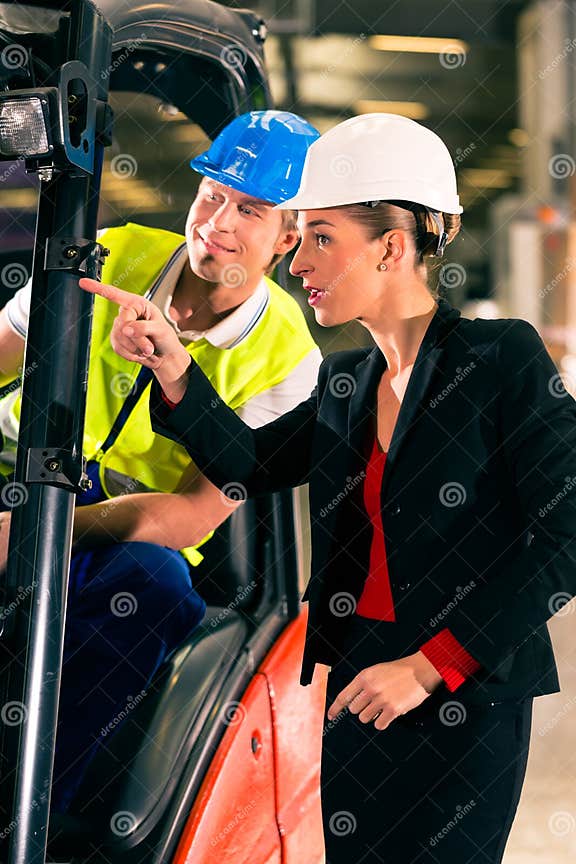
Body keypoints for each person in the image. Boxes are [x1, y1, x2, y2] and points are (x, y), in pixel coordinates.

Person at [80, 112, 576, 863]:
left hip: (459, 694)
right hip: (353, 688)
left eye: (319, 238)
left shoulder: (498, 358)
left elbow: (564, 533)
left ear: (391, 245)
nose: (297, 261)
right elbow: (247, 465)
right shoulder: (347, 382)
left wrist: (428, 666)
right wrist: (173, 366)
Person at [0, 109, 322, 812]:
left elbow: (189, 514)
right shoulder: (113, 251)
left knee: (155, 594)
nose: (218, 223)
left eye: (251, 210)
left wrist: (35, 533)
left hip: (116, 534)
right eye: (212, 195)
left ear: (289, 236)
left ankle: (30, 816)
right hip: (10, 476)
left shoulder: (291, 361)